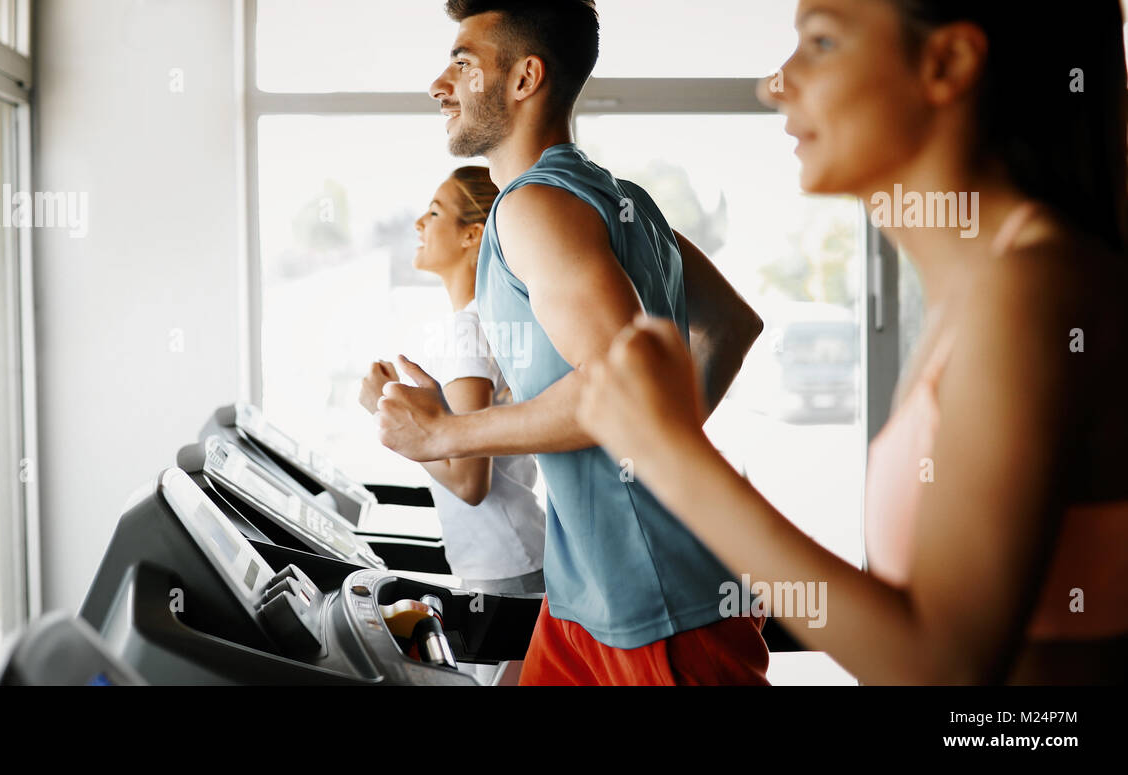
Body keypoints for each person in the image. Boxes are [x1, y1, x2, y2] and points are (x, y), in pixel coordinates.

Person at [577, 0, 1128, 684]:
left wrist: (673, 456)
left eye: (822, 40)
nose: (774, 83)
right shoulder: (981, 289)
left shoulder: (1033, 288)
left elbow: (945, 669)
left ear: (947, 63)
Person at [374, 0, 769, 685]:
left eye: (463, 64)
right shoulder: (625, 201)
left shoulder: (532, 207)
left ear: (525, 78)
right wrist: (654, 446)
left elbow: (617, 382)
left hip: (657, 598)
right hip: (583, 590)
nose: (439, 84)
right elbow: (732, 326)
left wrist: (444, 433)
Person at [358, 166, 546, 598]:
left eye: (435, 213)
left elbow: (468, 482)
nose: (419, 223)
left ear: (471, 234)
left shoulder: (467, 331)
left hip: (503, 567)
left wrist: (386, 416)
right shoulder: (489, 320)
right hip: (513, 555)